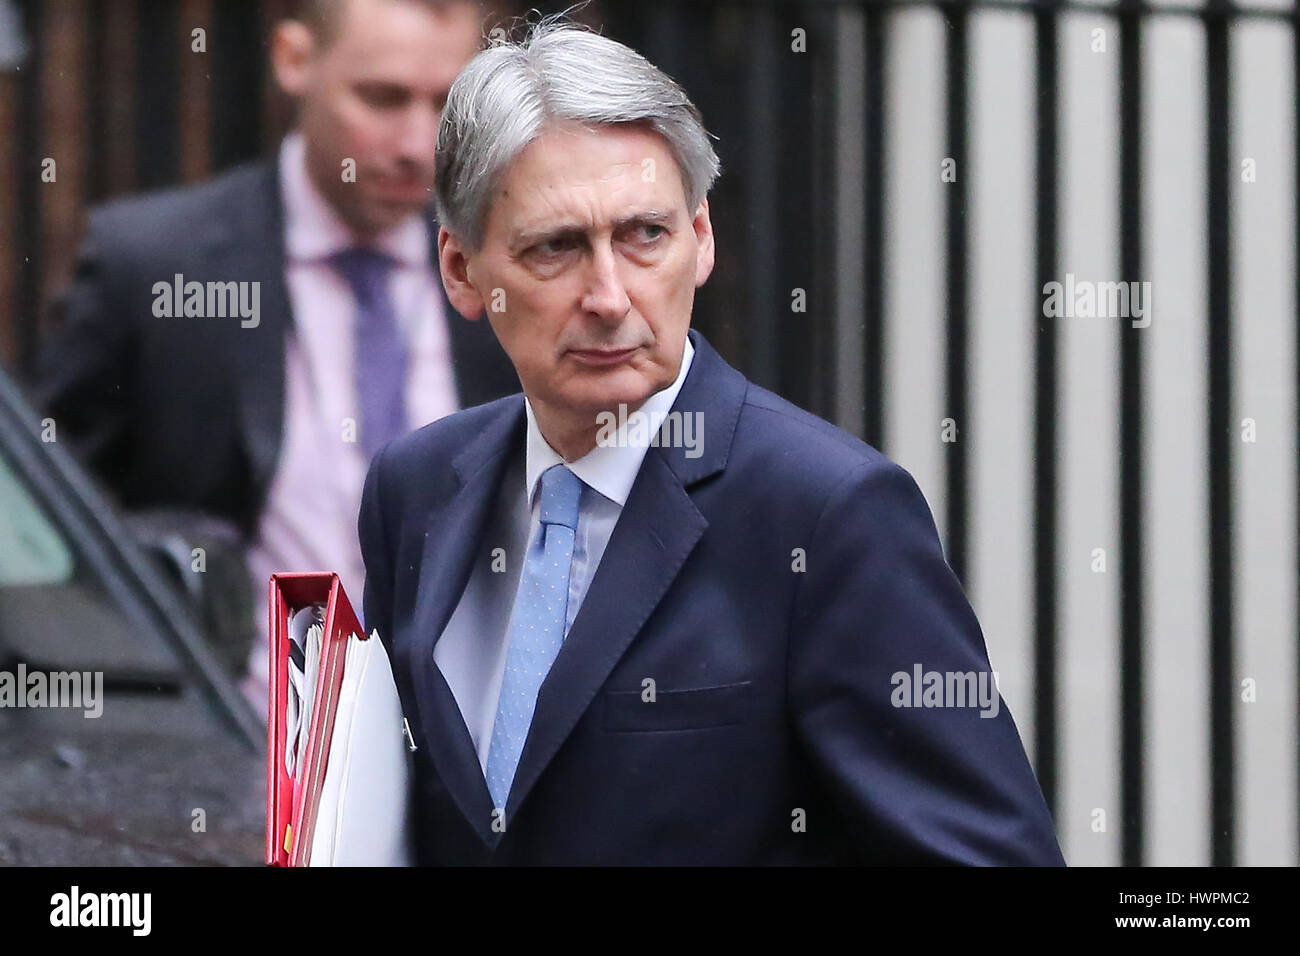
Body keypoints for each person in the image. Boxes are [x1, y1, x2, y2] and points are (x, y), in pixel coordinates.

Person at [358, 18, 1066, 865]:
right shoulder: (418, 488)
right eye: (557, 248)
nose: (611, 295)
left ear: (702, 239)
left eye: (644, 235)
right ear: (461, 270)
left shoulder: (830, 514)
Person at [31, 0, 518, 707]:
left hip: (464, 765)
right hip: (232, 768)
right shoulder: (153, 266)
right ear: (293, 60)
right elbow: (52, 530)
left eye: (448, 104)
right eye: (382, 98)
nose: (420, 143)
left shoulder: (514, 270)